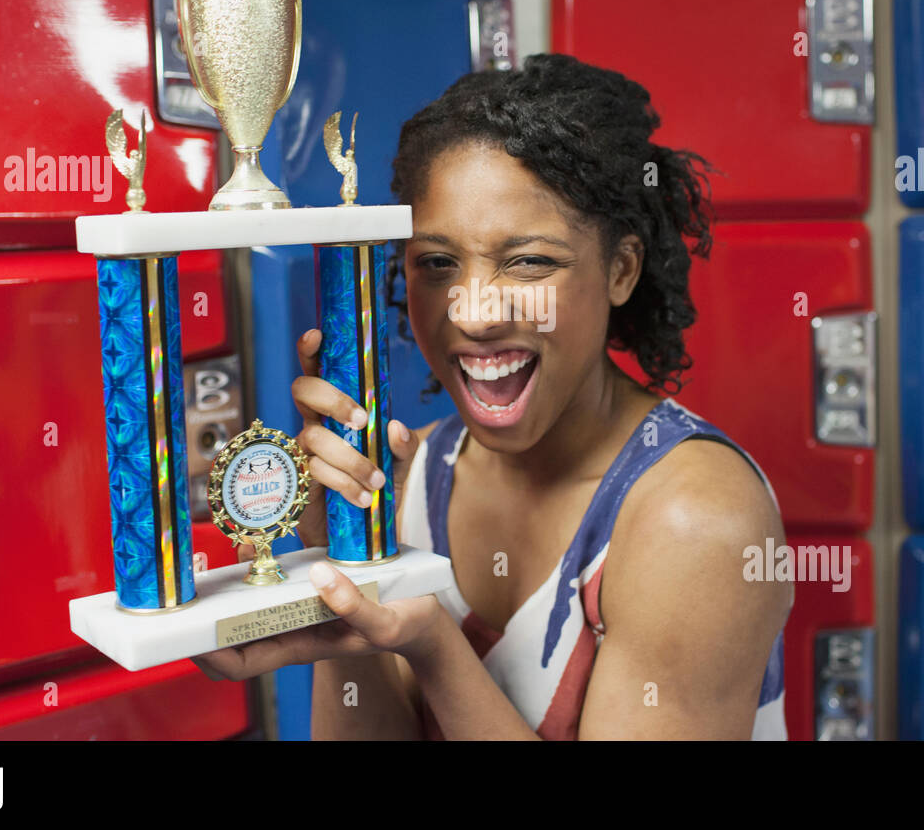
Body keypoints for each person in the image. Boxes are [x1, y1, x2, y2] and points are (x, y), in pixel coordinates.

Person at [192, 53, 793, 740]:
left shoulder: (697, 521)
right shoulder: (407, 476)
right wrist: (339, 585)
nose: (474, 313)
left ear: (621, 270)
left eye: (530, 261)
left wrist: (432, 647)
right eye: (437, 263)